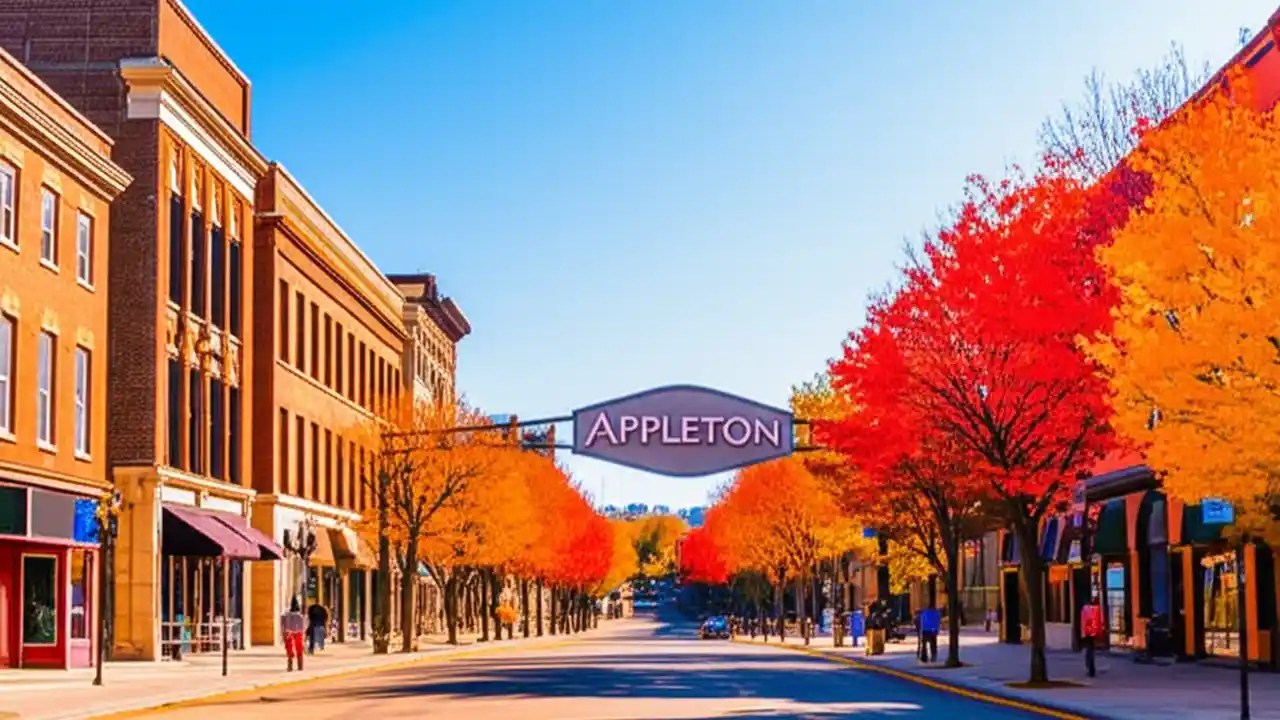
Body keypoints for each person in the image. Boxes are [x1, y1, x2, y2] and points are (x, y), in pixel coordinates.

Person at [281, 598, 306, 671]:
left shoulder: (286, 615)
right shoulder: (300, 616)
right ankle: (300, 665)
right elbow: (303, 626)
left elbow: (283, 624)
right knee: (299, 648)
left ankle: (290, 664)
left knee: (289, 648)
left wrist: (285, 633)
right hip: (298, 632)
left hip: (289, 632)